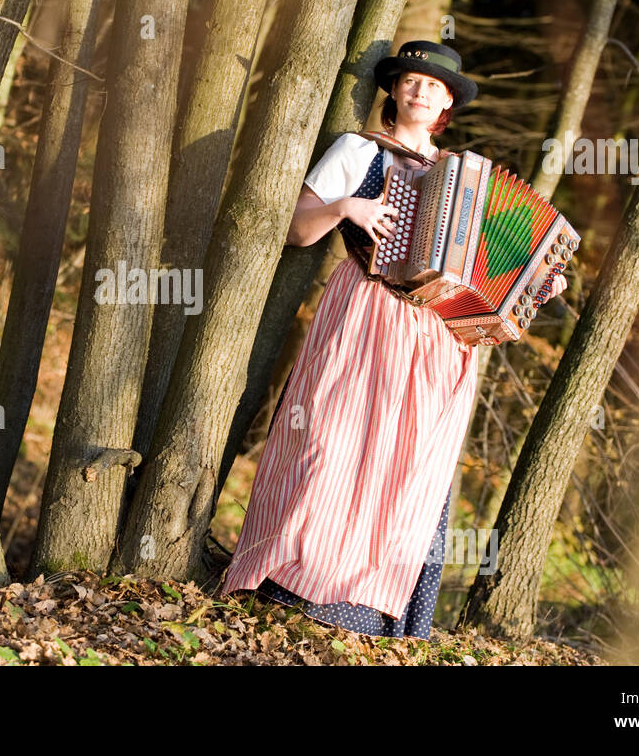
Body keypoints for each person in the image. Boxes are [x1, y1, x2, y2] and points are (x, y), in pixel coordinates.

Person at [219, 40, 566, 640]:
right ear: (394, 91)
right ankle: (298, 580)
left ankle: (380, 604)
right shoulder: (358, 150)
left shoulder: (468, 179)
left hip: (438, 335)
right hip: (368, 310)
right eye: (410, 79)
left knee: (409, 461)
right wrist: (348, 207)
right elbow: (299, 229)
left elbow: (505, 262)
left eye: (435, 86)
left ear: (447, 104)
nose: (420, 90)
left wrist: (541, 280)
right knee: (334, 437)